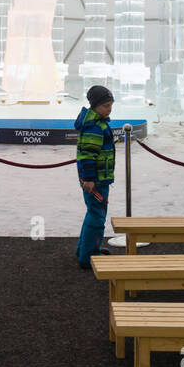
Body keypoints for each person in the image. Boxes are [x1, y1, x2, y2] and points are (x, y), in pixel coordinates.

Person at [74, 84, 117, 269]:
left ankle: (85, 250)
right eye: (105, 106)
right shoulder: (95, 127)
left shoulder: (97, 123)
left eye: (110, 105)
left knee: (93, 213)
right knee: (97, 216)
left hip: (97, 179)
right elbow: (87, 155)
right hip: (96, 181)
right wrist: (90, 179)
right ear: (95, 106)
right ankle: (90, 255)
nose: (109, 109)